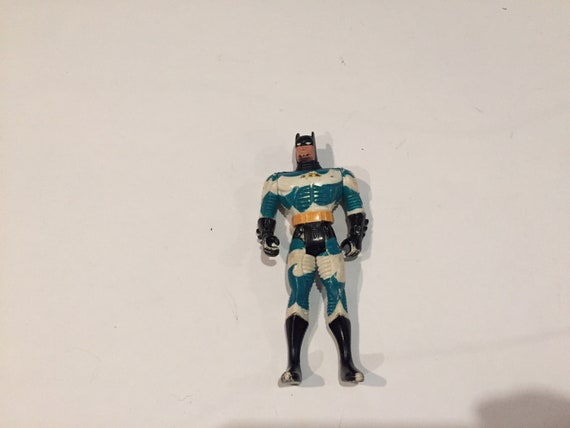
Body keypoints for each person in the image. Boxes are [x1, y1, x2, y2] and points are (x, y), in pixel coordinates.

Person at [256, 132, 368, 385]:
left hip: (328, 240)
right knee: (298, 296)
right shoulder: (278, 180)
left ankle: (347, 363)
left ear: (315, 148)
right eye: (300, 146)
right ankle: (293, 365)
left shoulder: (339, 175)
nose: (304, 150)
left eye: (308, 146)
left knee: (337, 294)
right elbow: (266, 214)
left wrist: (355, 237)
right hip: (300, 241)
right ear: (295, 151)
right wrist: (267, 237)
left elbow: (356, 209)